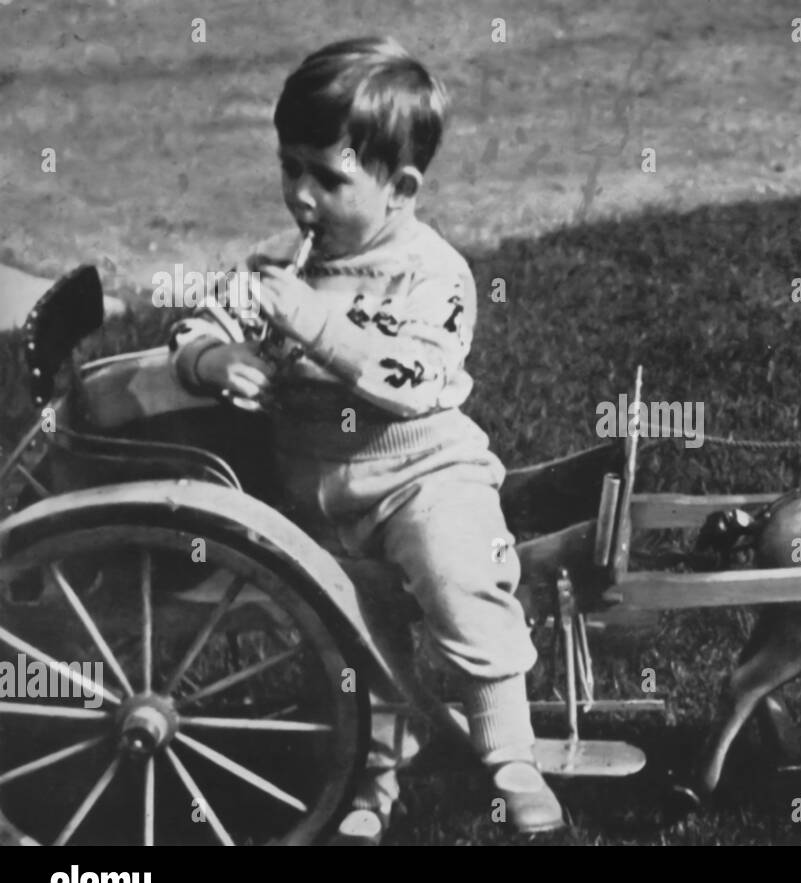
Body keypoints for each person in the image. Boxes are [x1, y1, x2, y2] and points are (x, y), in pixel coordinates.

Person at [167, 36, 564, 841]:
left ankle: (509, 753)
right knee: (353, 635)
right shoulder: (279, 264)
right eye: (290, 169)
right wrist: (216, 360)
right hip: (310, 488)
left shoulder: (433, 274)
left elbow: (409, 379)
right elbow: (198, 325)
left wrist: (313, 325)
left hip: (422, 474)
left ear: (401, 187)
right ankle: (371, 781)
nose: (301, 197)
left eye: (328, 177)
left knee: (461, 578)